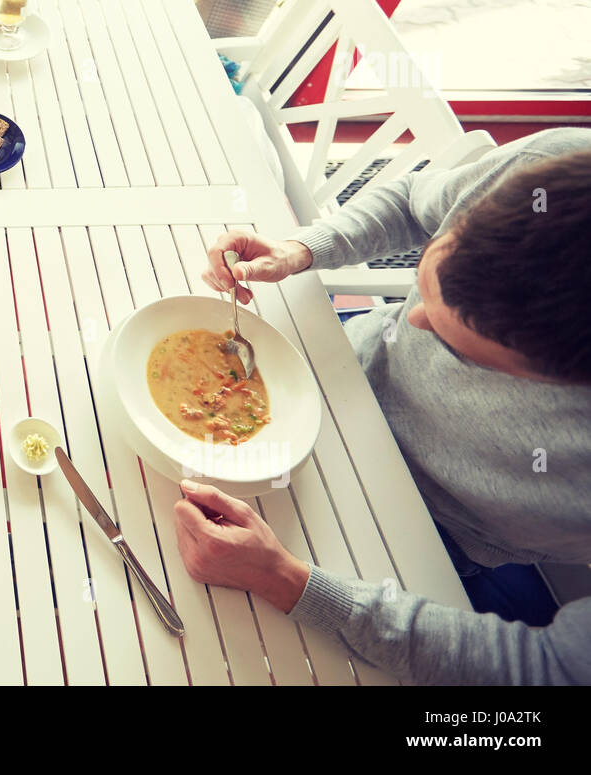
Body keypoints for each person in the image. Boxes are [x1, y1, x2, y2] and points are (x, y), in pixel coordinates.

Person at [180, 127, 591, 683]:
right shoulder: (553, 169)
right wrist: (303, 248)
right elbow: (411, 200)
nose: (413, 320)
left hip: (420, 539)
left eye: (455, 346)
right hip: (337, 377)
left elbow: (547, 669)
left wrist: (284, 580)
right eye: (428, 283)